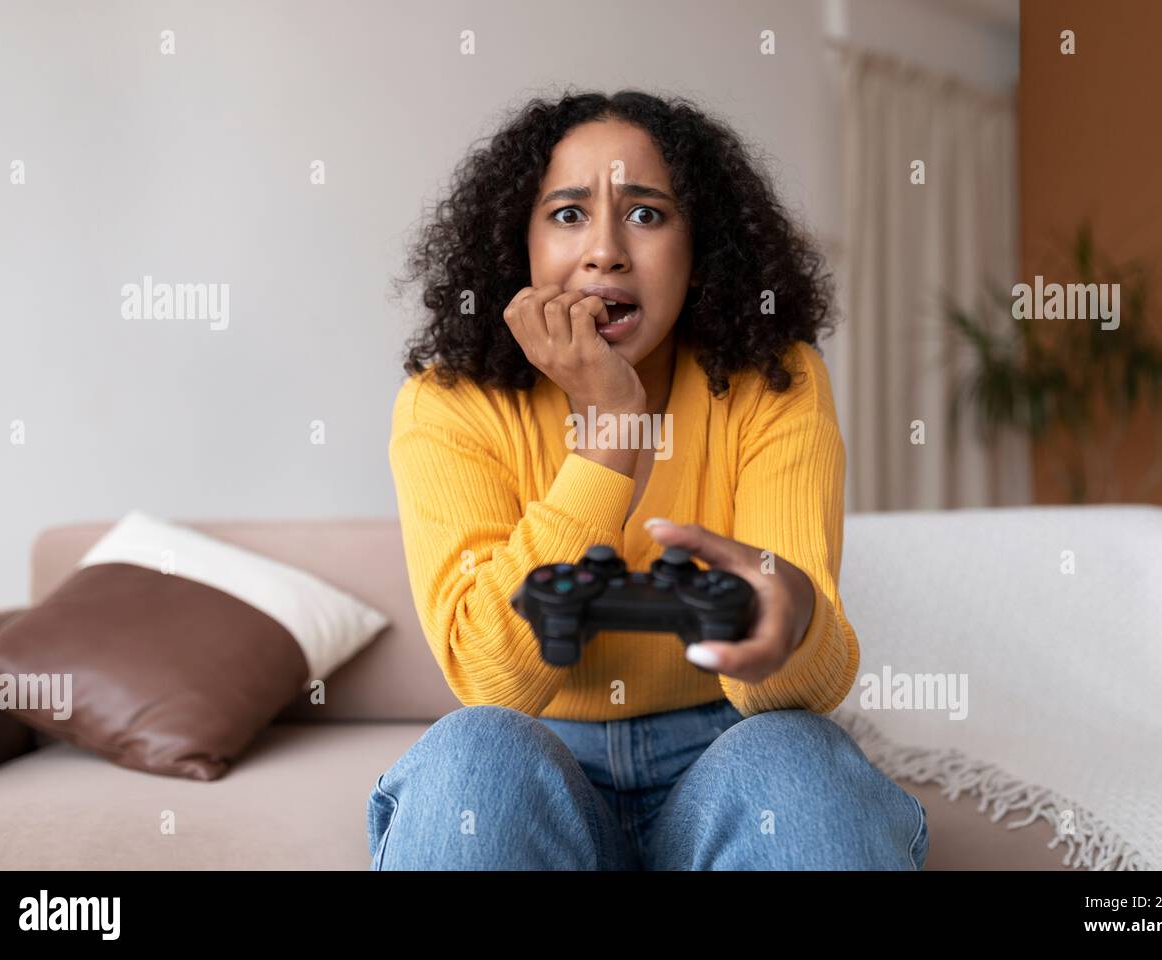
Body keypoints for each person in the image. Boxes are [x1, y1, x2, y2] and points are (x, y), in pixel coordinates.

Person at [369, 89, 927, 870]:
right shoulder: (448, 401)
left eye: (646, 213)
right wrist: (611, 428)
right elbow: (489, 675)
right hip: (538, 762)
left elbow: (801, 691)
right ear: (516, 247)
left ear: (702, 249)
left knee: (797, 761)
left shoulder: (774, 379)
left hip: (727, 747)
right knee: (473, 754)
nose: (605, 251)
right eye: (567, 214)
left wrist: (791, 620)